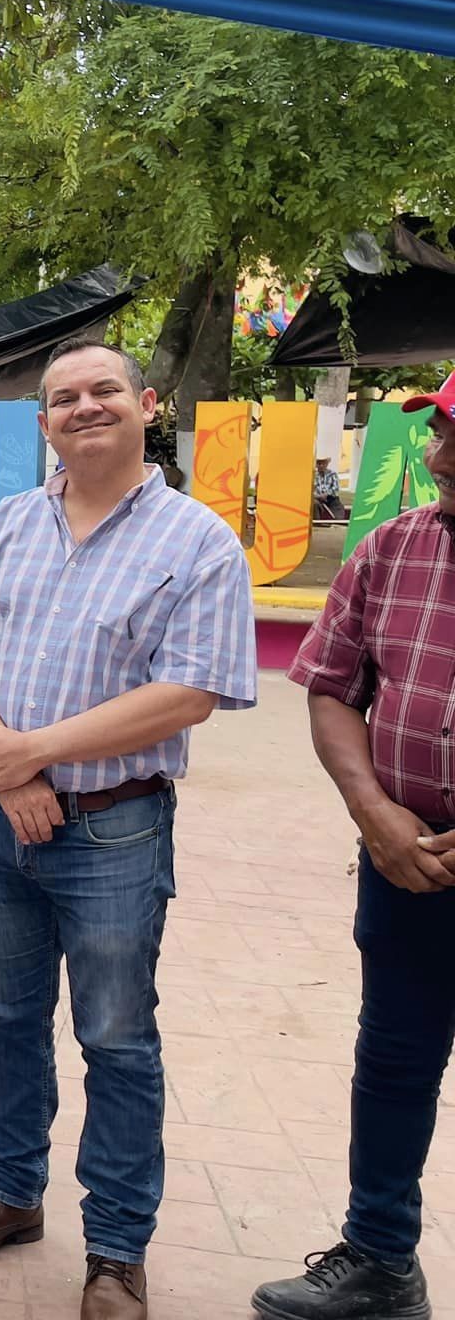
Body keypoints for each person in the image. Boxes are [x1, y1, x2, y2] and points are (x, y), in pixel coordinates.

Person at [0, 338, 258, 1320]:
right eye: (62, 397)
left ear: (145, 404)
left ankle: (115, 1251)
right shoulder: (3, 527)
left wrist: (33, 754)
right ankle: (9, 1194)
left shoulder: (197, 543)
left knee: (114, 1039)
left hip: (112, 830)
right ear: (43, 423)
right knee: (6, 1019)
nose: (83, 407)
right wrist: (0, 756)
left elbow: (187, 694)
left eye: (102, 390)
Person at [248, 371, 455, 1320]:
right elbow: (333, 683)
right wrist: (373, 810)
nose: (440, 457)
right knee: (396, 1062)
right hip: (404, 868)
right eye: (439, 433)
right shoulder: (393, 548)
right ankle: (380, 1261)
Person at [313, 457, 345, 523]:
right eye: (319, 463)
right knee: (314, 503)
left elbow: (336, 488)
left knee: (338, 518)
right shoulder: (313, 475)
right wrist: (318, 496)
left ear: (327, 464)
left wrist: (326, 494)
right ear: (316, 465)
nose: (321, 465)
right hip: (318, 499)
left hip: (332, 499)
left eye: (323, 463)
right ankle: (317, 523)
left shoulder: (333, 474)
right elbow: (311, 490)